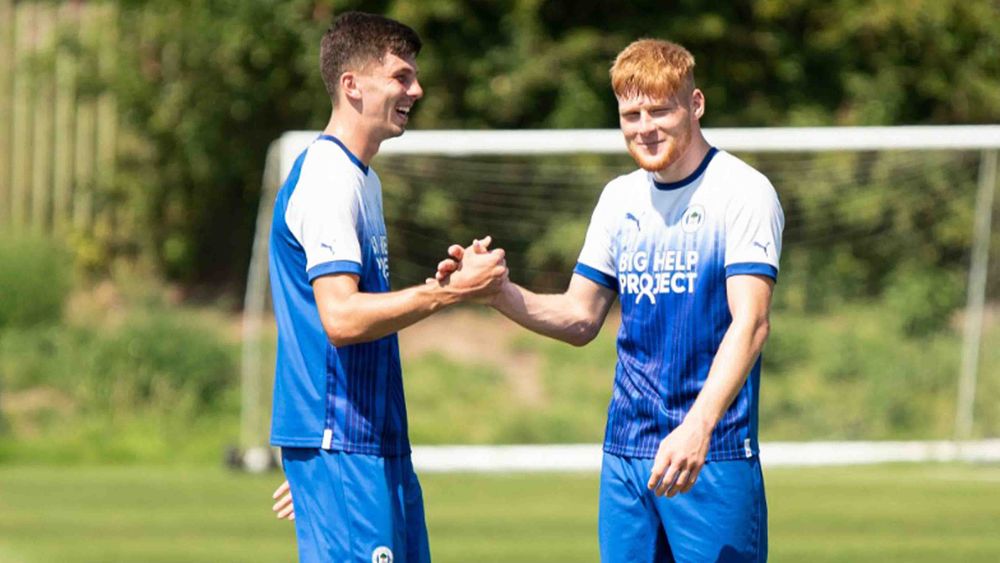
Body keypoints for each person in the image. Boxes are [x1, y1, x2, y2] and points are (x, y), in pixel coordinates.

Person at [439, 38, 783, 562]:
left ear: (695, 104)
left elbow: (751, 323)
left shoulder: (742, 191)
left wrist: (698, 426)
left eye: (659, 110)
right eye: (631, 114)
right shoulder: (619, 199)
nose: (644, 127)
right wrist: (497, 293)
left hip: (710, 453)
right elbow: (580, 318)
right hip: (627, 455)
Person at [267, 11, 507, 563]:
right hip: (344, 441)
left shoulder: (362, 179)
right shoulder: (328, 179)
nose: (416, 89)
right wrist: (448, 294)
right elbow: (342, 318)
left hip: (370, 444)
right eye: (401, 76)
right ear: (352, 85)